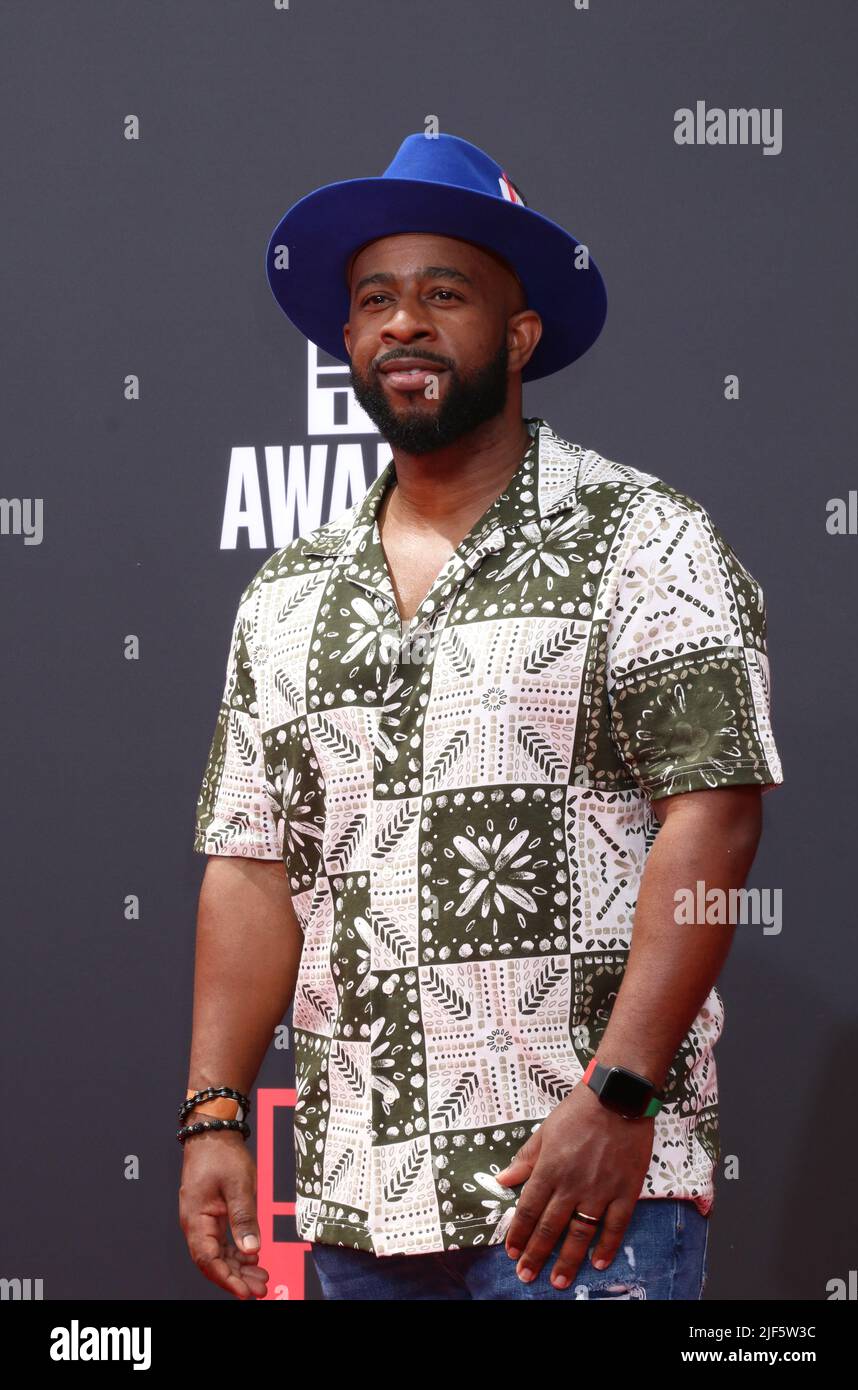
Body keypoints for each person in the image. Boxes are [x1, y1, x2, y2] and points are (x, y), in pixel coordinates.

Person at [179, 133, 783, 1301]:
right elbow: (251, 870)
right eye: (374, 301)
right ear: (346, 341)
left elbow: (711, 826)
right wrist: (212, 1112)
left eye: (442, 294)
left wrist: (618, 1097)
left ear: (516, 336)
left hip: (583, 1194)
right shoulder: (285, 596)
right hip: (360, 1199)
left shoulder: (642, 538)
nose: (402, 324)